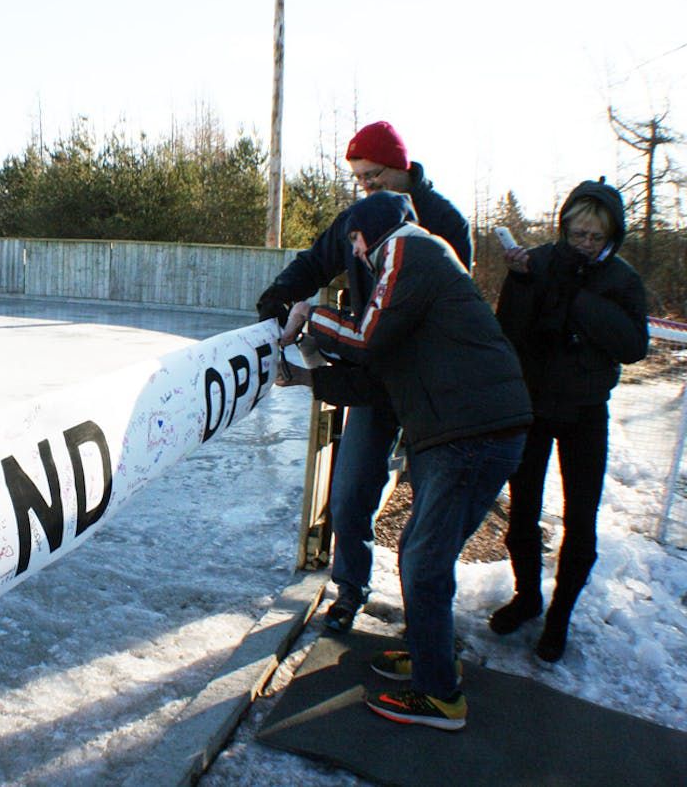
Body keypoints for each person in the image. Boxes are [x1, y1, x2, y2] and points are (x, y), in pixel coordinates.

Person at [276, 191, 531, 730]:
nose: (353, 254)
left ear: (365, 233)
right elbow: (374, 375)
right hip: (474, 431)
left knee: (422, 561)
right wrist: (302, 376)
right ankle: (427, 652)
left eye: (352, 242)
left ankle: (440, 695)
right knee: (423, 552)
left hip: (469, 434)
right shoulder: (417, 267)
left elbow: (365, 340)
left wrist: (311, 314)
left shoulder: (406, 249)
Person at [257, 120, 472, 633]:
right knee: (350, 492)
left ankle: (427, 620)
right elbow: (316, 261)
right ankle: (350, 588)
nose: (367, 186)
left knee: (432, 508)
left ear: (402, 166)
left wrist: (325, 325)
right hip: (372, 381)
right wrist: (279, 294)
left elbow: (446, 307)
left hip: (429, 389)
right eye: (359, 178)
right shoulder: (358, 217)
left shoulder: (445, 223)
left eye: (374, 175)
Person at [489, 179, 648, 662]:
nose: (584, 244)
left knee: (581, 519)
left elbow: (633, 346)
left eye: (595, 237)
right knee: (522, 511)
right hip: (534, 407)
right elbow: (508, 331)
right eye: (577, 234)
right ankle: (527, 596)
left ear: (612, 237)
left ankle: (559, 617)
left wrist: (578, 299)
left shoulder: (621, 280)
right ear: (564, 227)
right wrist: (519, 281)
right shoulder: (539, 261)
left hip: (584, 412)